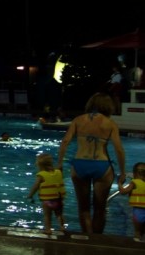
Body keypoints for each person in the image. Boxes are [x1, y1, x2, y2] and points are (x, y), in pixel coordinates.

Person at [57, 92, 126, 234]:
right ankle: (96, 240)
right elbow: (118, 149)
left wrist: (59, 165)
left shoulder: (78, 120)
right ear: (108, 106)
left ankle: (87, 238)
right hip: (102, 165)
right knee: (100, 208)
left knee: (83, 208)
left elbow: (65, 142)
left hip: (80, 164)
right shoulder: (110, 123)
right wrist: (123, 172)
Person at [26, 153, 66, 234]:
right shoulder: (58, 172)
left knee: (47, 215)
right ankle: (62, 227)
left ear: (39, 165)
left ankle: (48, 229)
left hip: (48, 200)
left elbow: (36, 186)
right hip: (58, 199)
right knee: (59, 214)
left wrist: (30, 195)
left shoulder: (41, 175)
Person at [118, 162, 145, 242]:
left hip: (138, 212)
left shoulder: (134, 182)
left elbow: (123, 192)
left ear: (135, 174)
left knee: (137, 232)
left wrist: (120, 183)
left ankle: (136, 243)